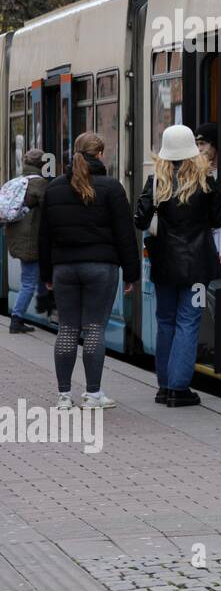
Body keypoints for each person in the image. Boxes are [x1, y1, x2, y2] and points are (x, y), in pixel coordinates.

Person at [38, 132, 139, 410]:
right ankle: (93, 395)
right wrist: (131, 274)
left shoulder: (54, 188)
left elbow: (44, 236)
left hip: (64, 270)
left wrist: (46, 274)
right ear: (101, 154)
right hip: (101, 269)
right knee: (94, 329)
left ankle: (64, 396)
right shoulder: (112, 188)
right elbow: (125, 235)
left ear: (75, 152)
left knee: (67, 329)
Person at [134, 125, 221, 408]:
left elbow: (139, 220)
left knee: (165, 321)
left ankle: (164, 386)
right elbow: (217, 220)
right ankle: (179, 388)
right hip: (197, 268)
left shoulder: (156, 181)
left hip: (164, 265)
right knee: (188, 322)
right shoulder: (206, 181)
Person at [6, 148, 48, 333]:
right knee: (29, 281)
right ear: (42, 164)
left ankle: (43, 299)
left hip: (18, 238)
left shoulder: (19, 182)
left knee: (33, 274)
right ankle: (17, 319)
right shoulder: (39, 184)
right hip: (31, 240)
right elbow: (49, 208)